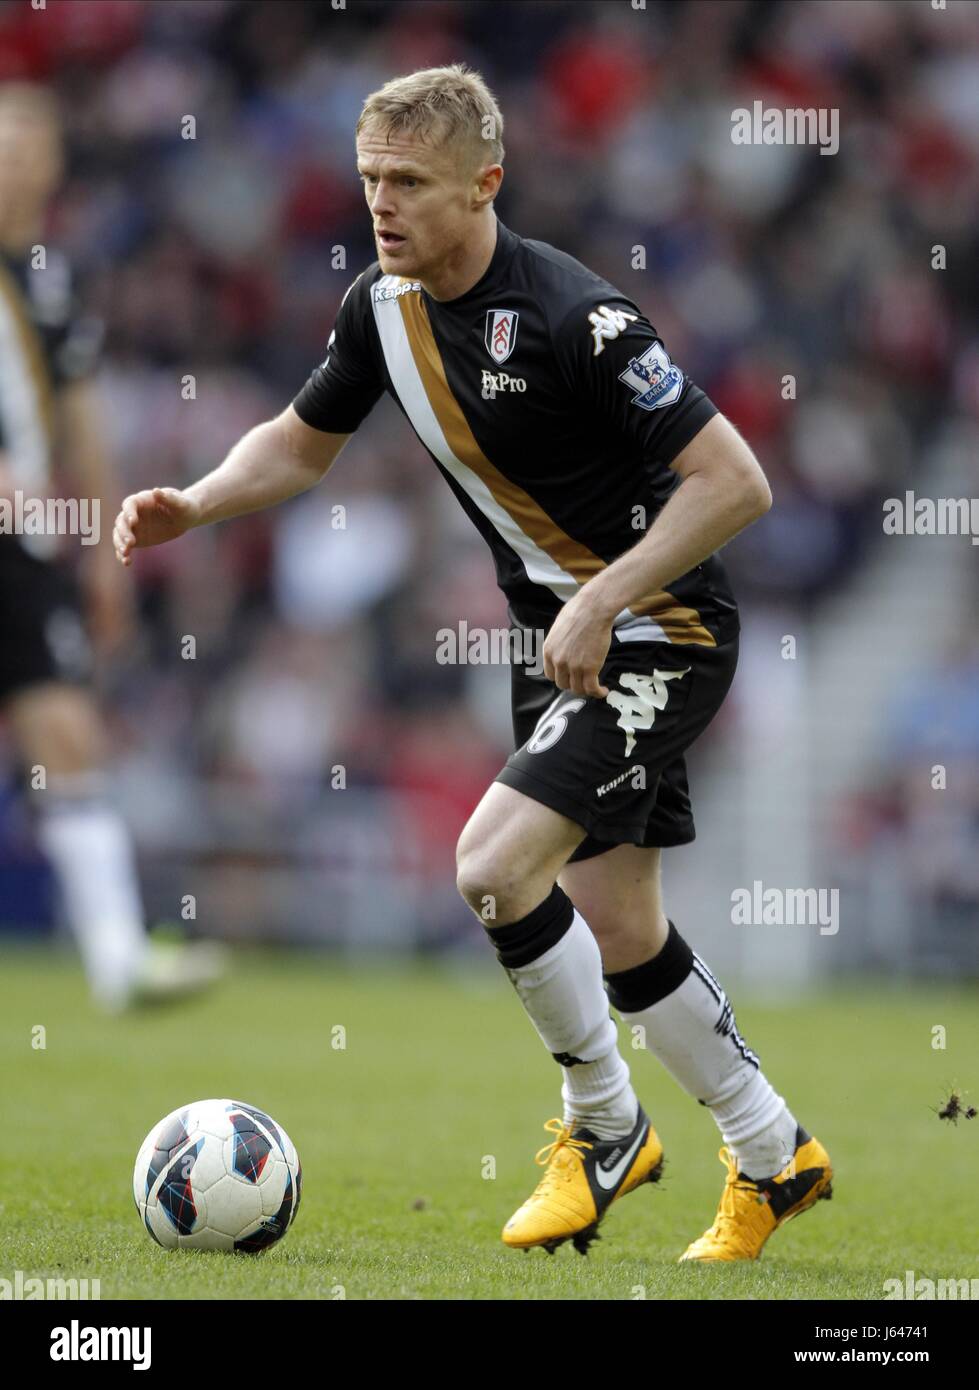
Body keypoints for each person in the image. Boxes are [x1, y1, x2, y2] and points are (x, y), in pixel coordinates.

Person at [112, 64, 832, 1260]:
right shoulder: (379, 308)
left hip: (657, 627)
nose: (380, 205)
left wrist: (605, 595)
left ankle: (603, 1127)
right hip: (557, 638)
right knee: (620, 927)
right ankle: (772, 1153)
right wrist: (196, 501)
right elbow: (297, 447)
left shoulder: (576, 317)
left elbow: (735, 482)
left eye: (408, 183)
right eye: (369, 180)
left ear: (485, 183)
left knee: (493, 869)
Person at [0, 82, 223, 1011]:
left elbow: (82, 421)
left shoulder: (44, 277)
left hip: (25, 541)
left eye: (29, 142)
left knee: (65, 730)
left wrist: (100, 549)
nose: (15, 157)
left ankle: (117, 961)